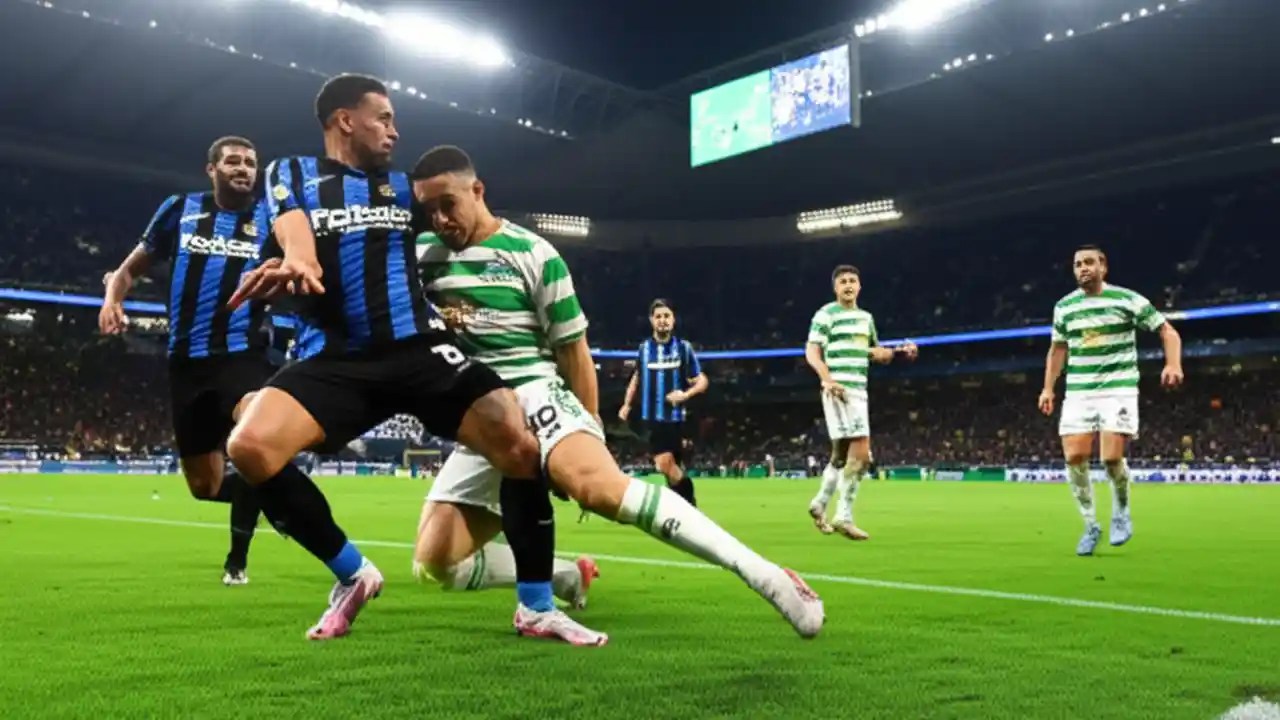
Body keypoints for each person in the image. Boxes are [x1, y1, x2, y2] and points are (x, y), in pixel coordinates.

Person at [224, 73, 594, 643]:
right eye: (385, 118)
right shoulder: (291, 173)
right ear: (346, 120)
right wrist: (301, 263)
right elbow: (291, 226)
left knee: (518, 442)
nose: (395, 130)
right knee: (248, 446)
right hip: (337, 358)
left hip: (418, 347)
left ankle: (536, 605)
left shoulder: (401, 187)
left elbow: (462, 222)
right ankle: (352, 575)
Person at [409, 145, 824, 639]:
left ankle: (771, 578)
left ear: (477, 191)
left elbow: (574, 353)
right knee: (436, 562)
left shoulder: (533, 254)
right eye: (428, 210)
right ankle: (566, 574)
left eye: (448, 204)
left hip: (534, 393)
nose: (439, 219)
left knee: (601, 490)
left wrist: (588, 428)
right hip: (478, 416)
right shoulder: (422, 258)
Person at [99, 135, 268, 586]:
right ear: (211, 169)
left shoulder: (272, 218)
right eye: (232, 161)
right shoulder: (180, 209)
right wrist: (112, 298)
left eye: (250, 163)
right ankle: (275, 499)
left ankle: (237, 560)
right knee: (205, 487)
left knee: (252, 442)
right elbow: (129, 268)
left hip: (241, 356)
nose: (243, 168)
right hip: (186, 364)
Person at [1038, 244, 1183, 556]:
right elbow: (1058, 350)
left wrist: (1173, 363)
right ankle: (1090, 524)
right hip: (1079, 390)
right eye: (1077, 264)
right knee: (1074, 458)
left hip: (1118, 387)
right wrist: (1048, 388)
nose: (1083, 269)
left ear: (1103, 266)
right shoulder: (1064, 307)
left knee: (1110, 459)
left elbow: (1168, 332)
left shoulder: (1127, 299)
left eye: (1089, 262)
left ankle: (1121, 510)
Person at [804, 265, 917, 540]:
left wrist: (901, 352)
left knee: (840, 456)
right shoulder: (826, 314)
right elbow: (812, 350)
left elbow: (872, 352)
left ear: (860, 286)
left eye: (852, 280)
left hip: (859, 388)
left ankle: (819, 503)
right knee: (863, 455)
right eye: (842, 281)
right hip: (839, 388)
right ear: (835, 288)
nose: (848, 285)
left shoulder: (866, 319)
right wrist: (827, 379)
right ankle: (843, 515)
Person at [619, 300, 707, 506]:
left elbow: (702, 381)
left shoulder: (683, 349)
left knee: (670, 468)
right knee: (664, 464)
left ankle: (686, 508)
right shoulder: (644, 349)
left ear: (673, 320)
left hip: (676, 418)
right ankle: (688, 507)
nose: (662, 321)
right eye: (658, 317)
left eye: (666, 316)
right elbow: (637, 377)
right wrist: (627, 404)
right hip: (652, 419)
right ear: (651, 321)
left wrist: (685, 395)